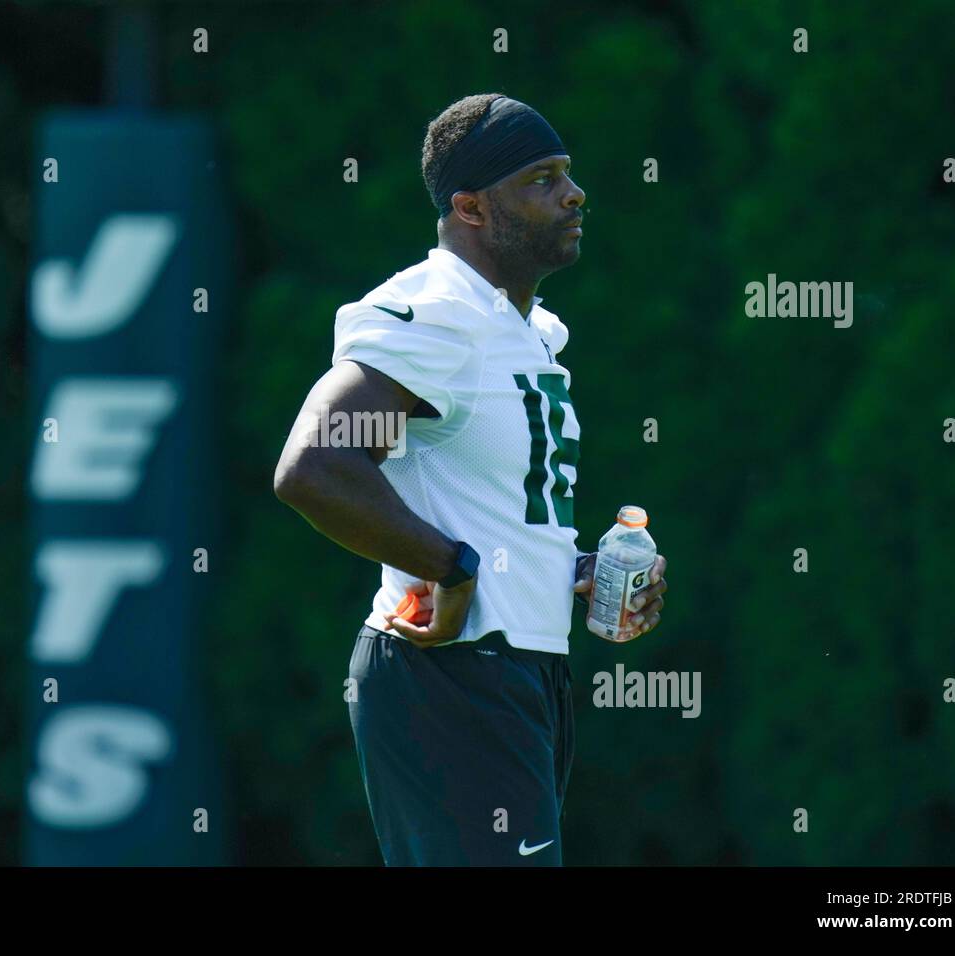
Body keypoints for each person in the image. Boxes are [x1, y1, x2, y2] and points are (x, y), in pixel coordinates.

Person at [273, 93, 669, 866]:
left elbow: (485, 509)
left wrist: (574, 573)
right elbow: (314, 466)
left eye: (569, 174)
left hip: (515, 672)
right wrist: (448, 570)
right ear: (470, 206)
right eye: (541, 179)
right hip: (451, 674)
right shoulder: (438, 311)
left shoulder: (523, 328)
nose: (573, 192)